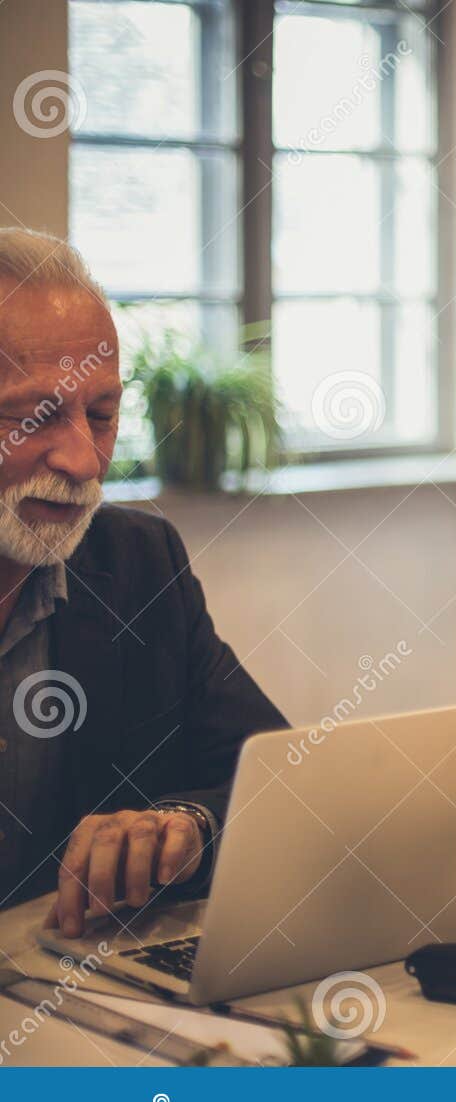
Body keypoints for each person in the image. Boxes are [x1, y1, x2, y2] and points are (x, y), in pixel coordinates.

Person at [0, 227, 286, 936]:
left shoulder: (137, 563)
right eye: (34, 416)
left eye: (101, 416)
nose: (83, 460)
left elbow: (279, 783)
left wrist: (186, 828)